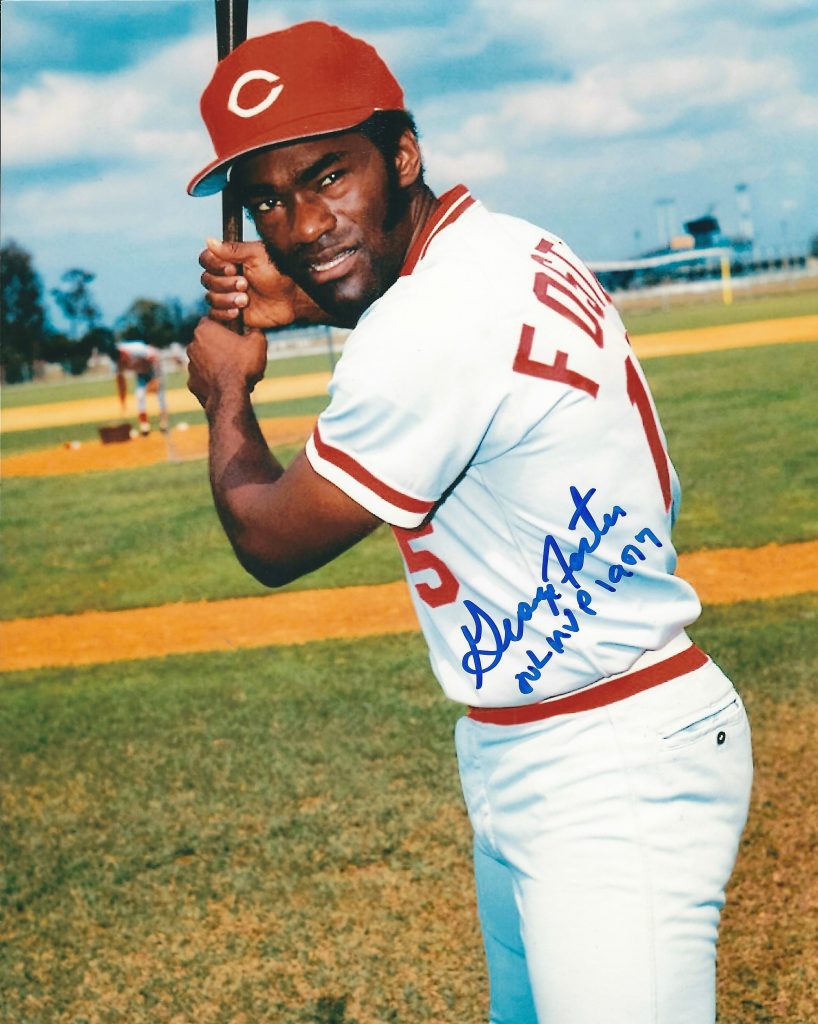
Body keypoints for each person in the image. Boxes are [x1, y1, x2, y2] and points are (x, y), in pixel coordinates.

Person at [186, 21, 752, 1023]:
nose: (300, 225)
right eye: (267, 198)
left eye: (328, 175)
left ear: (402, 152)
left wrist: (226, 392)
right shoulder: (505, 244)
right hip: (568, 729)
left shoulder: (427, 326)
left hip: (604, 756)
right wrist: (312, 301)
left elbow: (270, 539)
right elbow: (430, 319)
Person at [110, 339, 169, 436]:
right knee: (139, 395)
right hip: (141, 372)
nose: (124, 362)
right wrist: (123, 402)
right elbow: (121, 384)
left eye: (124, 359)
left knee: (160, 394)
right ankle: (144, 425)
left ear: (123, 352)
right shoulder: (117, 365)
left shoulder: (136, 349)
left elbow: (155, 358)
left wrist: (156, 379)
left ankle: (164, 422)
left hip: (154, 368)